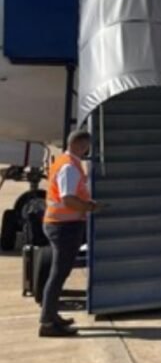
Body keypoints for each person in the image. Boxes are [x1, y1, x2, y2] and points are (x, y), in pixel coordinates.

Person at [39, 129, 101, 337]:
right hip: (63, 227)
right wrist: (90, 207)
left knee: (59, 274)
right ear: (79, 145)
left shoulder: (66, 162)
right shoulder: (70, 167)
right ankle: (47, 322)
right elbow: (68, 199)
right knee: (58, 275)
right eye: (86, 146)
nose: (87, 150)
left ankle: (52, 316)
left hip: (61, 224)